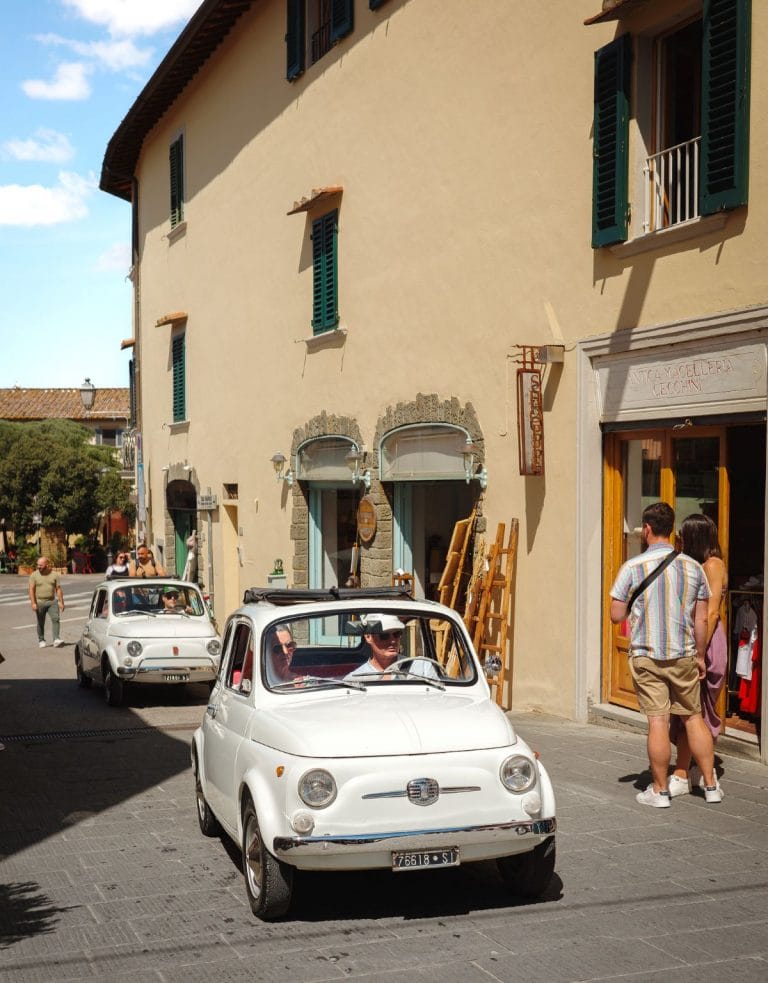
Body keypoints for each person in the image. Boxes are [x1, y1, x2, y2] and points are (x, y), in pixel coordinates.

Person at [609, 502, 723, 807]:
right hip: (683, 654)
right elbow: (701, 619)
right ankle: (711, 786)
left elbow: (616, 615)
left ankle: (660, 791)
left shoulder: (632, 567)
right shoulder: (693, 567)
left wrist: (635, 603)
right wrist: (700, 655)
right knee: (693, 717)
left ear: (647, 529)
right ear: (671, 529)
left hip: (647, 655)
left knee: (658, 721)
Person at [668, 514, 728, 795]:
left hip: (707, 640)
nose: (679, 539)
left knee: (695, 708)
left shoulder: (713, 565)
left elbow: (712, 612)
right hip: (695, 637)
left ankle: (688, 772)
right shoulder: (691, 565)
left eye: (683, 535)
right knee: (688, 708)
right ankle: (691, 769)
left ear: (694, 537)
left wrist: (698, 649)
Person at [346, 613, 439, 679]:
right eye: (384, 636)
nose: (393, 641)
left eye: (396, 634)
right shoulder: (355, 679)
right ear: (368, 637)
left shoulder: (423, 669)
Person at [28, 556, 65, 648]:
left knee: (56, 619)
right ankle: (41, 640)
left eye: (41, 565)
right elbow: (31, 589)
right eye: (38, 565)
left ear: (47, 564)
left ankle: (56, 639)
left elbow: (58, 589)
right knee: (41, 622)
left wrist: (61, 602)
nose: (38, 566)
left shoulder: (54, 575)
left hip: (52, 601)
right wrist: (33, 603)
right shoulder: (34, 575)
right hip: (39, 601)